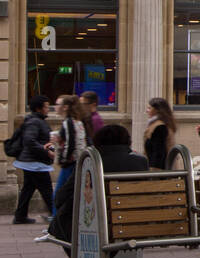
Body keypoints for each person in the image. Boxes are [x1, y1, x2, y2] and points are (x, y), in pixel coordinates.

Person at [44, 125, 148, 247]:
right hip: (134, 223)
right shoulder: (140, 162)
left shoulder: (90, 162)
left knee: (64, 217)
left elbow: (60, 198)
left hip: (96, 226)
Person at [12, 95, 55, 225]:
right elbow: (29, 140)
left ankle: (20, 216)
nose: (48, 109)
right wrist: (45, 150)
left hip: (32, 161)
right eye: (46, 107)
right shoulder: (34, 122)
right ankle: (56, 215)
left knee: (28, 189)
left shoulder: (36, 120)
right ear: (39, 108)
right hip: (34, 162)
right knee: (47, 190)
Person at [52, 94, 90, 198]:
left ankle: (57, 214)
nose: (55, 107)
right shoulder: (77, 121)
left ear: (65, 107)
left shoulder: (68, 122)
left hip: (71, 162)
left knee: (59, 193)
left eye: (57, 104)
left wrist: (63, 159)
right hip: (77, 161)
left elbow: (71, 143)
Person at [143, 98, 176, 170]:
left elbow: (159, 153)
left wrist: (153, 172)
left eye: (149, 108)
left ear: (157, 110)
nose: (147, 111)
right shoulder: (158, 124)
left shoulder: (160, 127)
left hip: (159, 171)